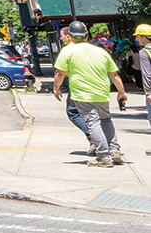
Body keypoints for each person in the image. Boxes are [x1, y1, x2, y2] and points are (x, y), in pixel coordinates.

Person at [53, 20, 129, 166]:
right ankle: (114, 150)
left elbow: (60, 73)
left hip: (83, 94)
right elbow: (115, 75)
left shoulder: (68, 51)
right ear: (87, 35)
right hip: (102, 92)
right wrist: (122, 92)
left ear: (70, 37)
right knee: (106, 120)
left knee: (93, 123)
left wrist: (56, 88)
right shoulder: (101, 51)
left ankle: (103, 156)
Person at [136, 24, 151, 140]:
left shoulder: (144, 52)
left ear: (144, 37)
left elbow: (147, 74)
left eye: (138, 37)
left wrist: (149, 92)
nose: (136, 39)